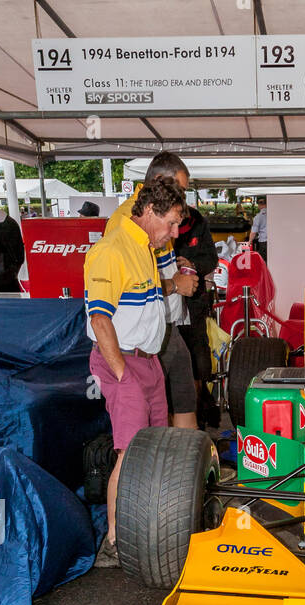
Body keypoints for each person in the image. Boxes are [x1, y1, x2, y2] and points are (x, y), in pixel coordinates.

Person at [84, 178, 187, 566]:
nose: (174, 233)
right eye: (173, 224)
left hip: (148, 361)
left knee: (155, 448)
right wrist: (122, 374)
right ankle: (113, 541)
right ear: (150, 213)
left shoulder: (145, 245)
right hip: (123, 362)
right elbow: (99, 319)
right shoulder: (111, 249)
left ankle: (151, 525)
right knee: (129, 452)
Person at [106, 153, 199, 431]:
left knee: (183, 404)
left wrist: (178, 268)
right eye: (179, 190)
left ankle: (187, 468)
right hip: (144, 338)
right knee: (143, 433)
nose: (174, 232)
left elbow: (152, 267)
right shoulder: (125, 221)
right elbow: (129, 285)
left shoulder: (160, 215)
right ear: (159, 182)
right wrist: (174, 285)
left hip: (167, 325)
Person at [175, 199, 220, 426]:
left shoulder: (197, 221)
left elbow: (211, 259)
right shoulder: (152, 222)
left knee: (198, 355)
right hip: (166, 301)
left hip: (194, 300)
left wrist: (191, 263)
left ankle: (201, 407)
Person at [250, 195, 268, 262]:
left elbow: (254, 232)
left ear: (259, 205)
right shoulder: (273, 213)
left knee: (263, 261)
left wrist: (249, 242)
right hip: (273, 241)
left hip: (263, 242)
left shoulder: (258, 217)